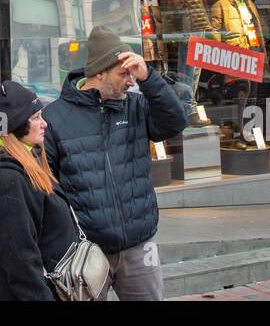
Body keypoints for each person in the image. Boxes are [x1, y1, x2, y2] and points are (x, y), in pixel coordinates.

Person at [42, 24, 187, 300]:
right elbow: (47, 187)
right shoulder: (56, 118)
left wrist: (148, 78)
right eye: (124, 74)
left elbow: (176, 121)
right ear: (99, 72)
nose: (130, 81)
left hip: (138, 244)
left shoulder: (135, 106)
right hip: (85, 250)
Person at [0, 80, 78, 301]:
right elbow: (20, 260)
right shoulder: (5, 179)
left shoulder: (25, 160)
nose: (44, 124)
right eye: (35, 118)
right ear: (16, 125)